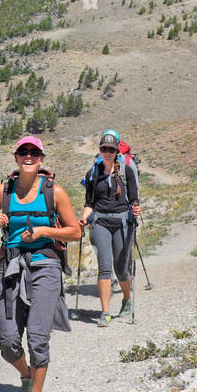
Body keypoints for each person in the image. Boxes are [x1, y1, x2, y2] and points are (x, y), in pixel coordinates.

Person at [0, 135, 81, 392]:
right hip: (12, 265)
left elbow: (75, 232)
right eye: (23, 152)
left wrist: (44, 233)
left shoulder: (55, 192)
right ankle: (26, 375)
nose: (28, 156)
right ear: (15, 157)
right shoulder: (3, 190)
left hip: (45, 265)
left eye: (33, 152)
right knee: (8, 340)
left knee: (38, 337)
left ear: (41, 159)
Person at [81, 130, 141, 326]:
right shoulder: (92, 174)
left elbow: (134, 199)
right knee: (104, 267)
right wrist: (83, 219)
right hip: (100, 222)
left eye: (111, 149)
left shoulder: (127, 171)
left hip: (123, 222)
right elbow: (89, 202)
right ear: (99, 150)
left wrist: (136, 208)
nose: (107, 152)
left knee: (121, 268)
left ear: (116, 151)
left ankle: (126, 300)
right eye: (104, 149)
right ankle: (105, 312)